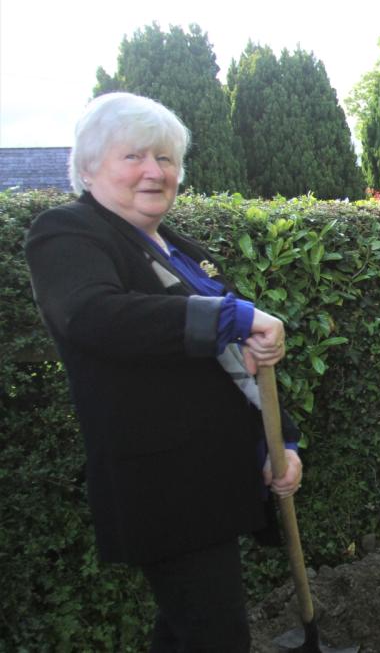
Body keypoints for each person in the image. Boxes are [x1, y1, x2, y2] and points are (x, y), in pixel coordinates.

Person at [24, 93, 304, 650]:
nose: (155, 171)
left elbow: (235, 364)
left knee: (186, 632)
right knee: (216, 636)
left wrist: (280, 442)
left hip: (215, 477)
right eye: (134, 157)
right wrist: (234, 315)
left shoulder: (180, 248)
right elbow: (93, 314)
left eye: (167, 159)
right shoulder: (67, 232)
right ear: (87, 168)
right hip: (165, 487)